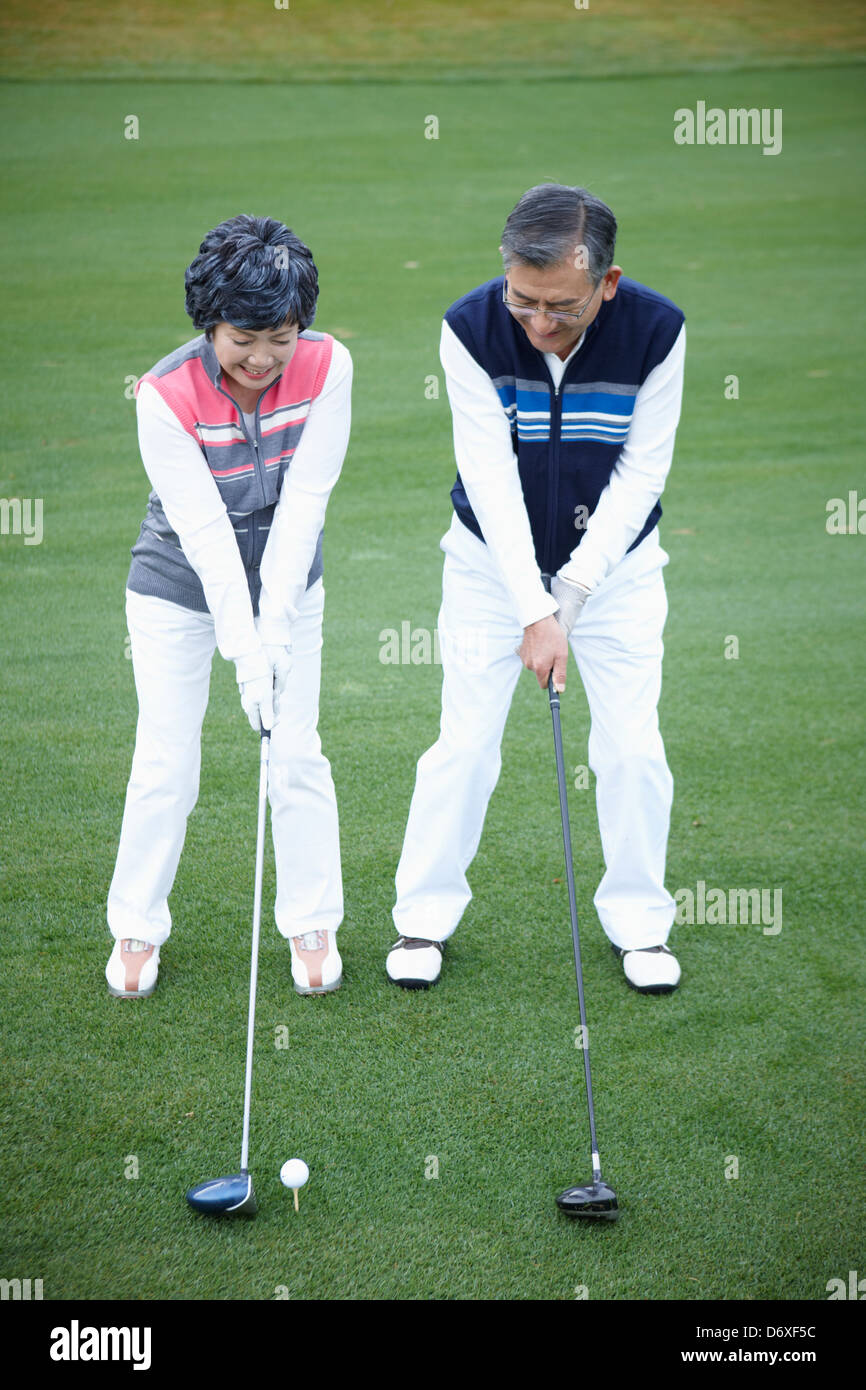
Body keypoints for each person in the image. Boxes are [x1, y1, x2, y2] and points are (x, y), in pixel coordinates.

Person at [387, 184, 685, 995]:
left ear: (607, 283)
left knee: (631, 747)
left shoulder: (658, 331)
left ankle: (641, 927)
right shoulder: (470, 328)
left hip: (617, 572)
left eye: (563, 306)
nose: (540, 323)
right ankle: (422, 918)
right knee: (466, 745)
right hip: (490, 565)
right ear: (504, 272)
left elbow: (641, 475)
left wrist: (572, 598)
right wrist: (532, 606)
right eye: (524, 300)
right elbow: (488, 478)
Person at [106, 214, 350, 999]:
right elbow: (206, 534)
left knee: (297, 751)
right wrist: (245, 655)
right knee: (167, 760)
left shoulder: (329, 368)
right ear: (209, 321)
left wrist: (272, 631)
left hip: (289, 576)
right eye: (242, 336)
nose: (262, 358)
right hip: (178, 583)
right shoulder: (162, 395)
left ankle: (312, 920)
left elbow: (306, 502)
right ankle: (137, 926)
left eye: (280, 335)